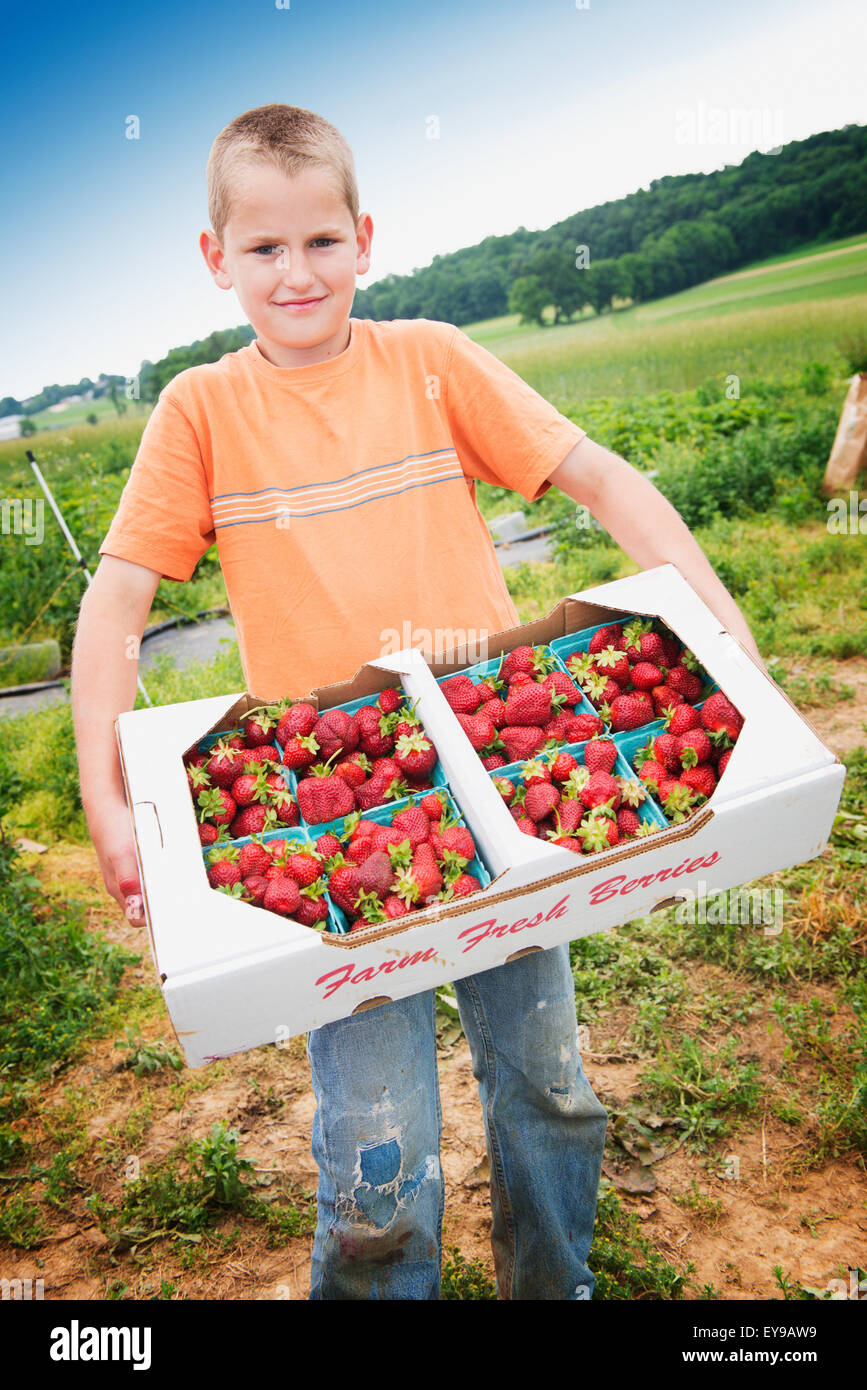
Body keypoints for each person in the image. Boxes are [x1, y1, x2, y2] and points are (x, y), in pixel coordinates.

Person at [71, 103, 763, 1300]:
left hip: (499, 794)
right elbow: (115, 606)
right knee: (373, 1134)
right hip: (340, 829)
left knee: (548, 1076)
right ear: (214, 257)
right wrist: (107, 790)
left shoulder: (432, 361)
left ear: (366, 238)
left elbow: (594, 474)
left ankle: (556, 1282)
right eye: (264, 249)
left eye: (322, 243)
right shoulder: (200, 412)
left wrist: (718, 620)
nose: (298, 274)